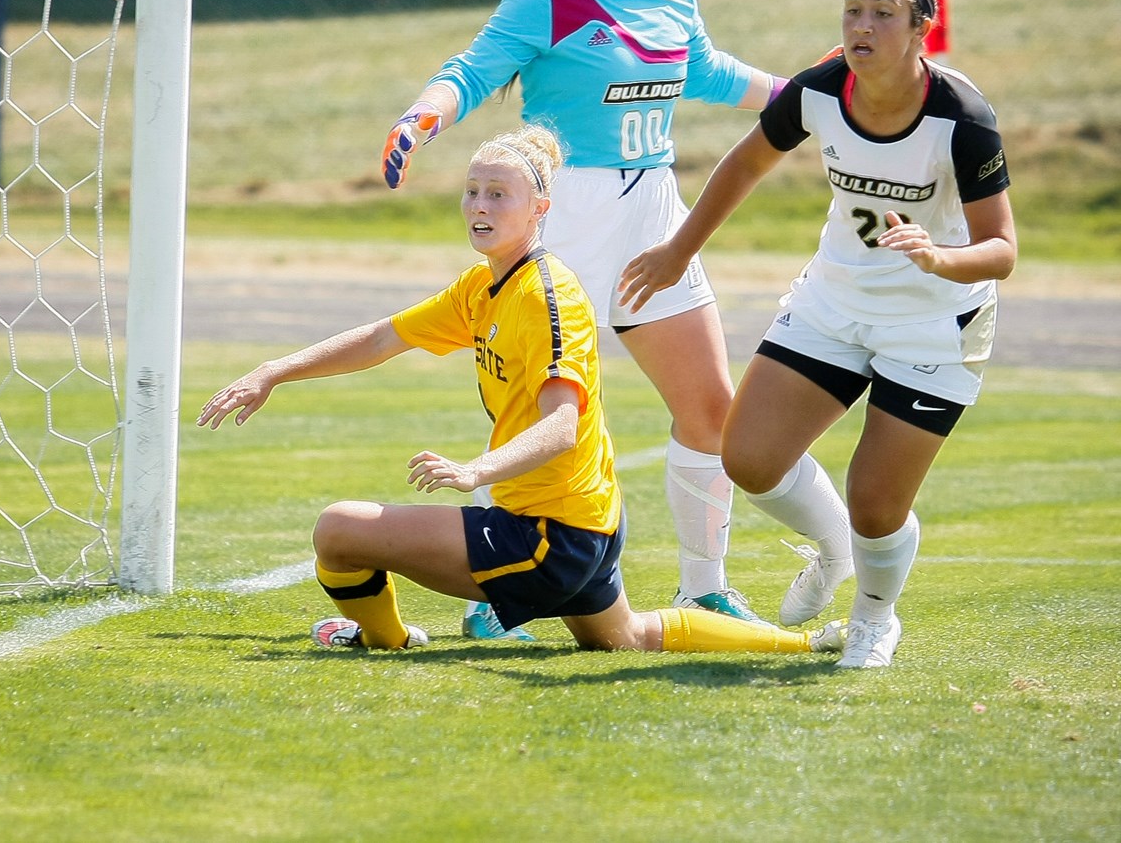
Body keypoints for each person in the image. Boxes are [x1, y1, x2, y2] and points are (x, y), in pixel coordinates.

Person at [379, 0, 825, 637]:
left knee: (710, 410)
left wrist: (801, 99)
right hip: (566, 215)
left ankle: (703, 589)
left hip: (652, 211)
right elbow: (472, 72)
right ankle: (495, 594)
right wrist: (423, 115)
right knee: (538, 413)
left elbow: (703, 71)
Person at [200, 126, 845, 658]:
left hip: (549, 534)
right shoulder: (482, 286)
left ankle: (385, 638)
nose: (479, 206)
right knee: (628, 637)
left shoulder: (546, 296)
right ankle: (805, 643)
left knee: (339, 530)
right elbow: (380, 339)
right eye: (472, 192)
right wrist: (273, 370)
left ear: (540, 209)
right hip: (584, 526)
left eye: (498, 195)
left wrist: (474, 472)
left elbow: (562, 426)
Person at [618, 0, 1016, 667]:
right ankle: (835, 553)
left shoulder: (962, 118)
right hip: (833, 302)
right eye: (852, 8)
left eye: (883, 12)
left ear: (921, 29)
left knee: (876, 504)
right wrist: (678, 250)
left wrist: (938, 257)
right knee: (748, 458)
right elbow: (745, 163)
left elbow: (1002, 250)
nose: (862, 24)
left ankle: (873, 619)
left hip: (934, 322)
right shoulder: (820, 89)